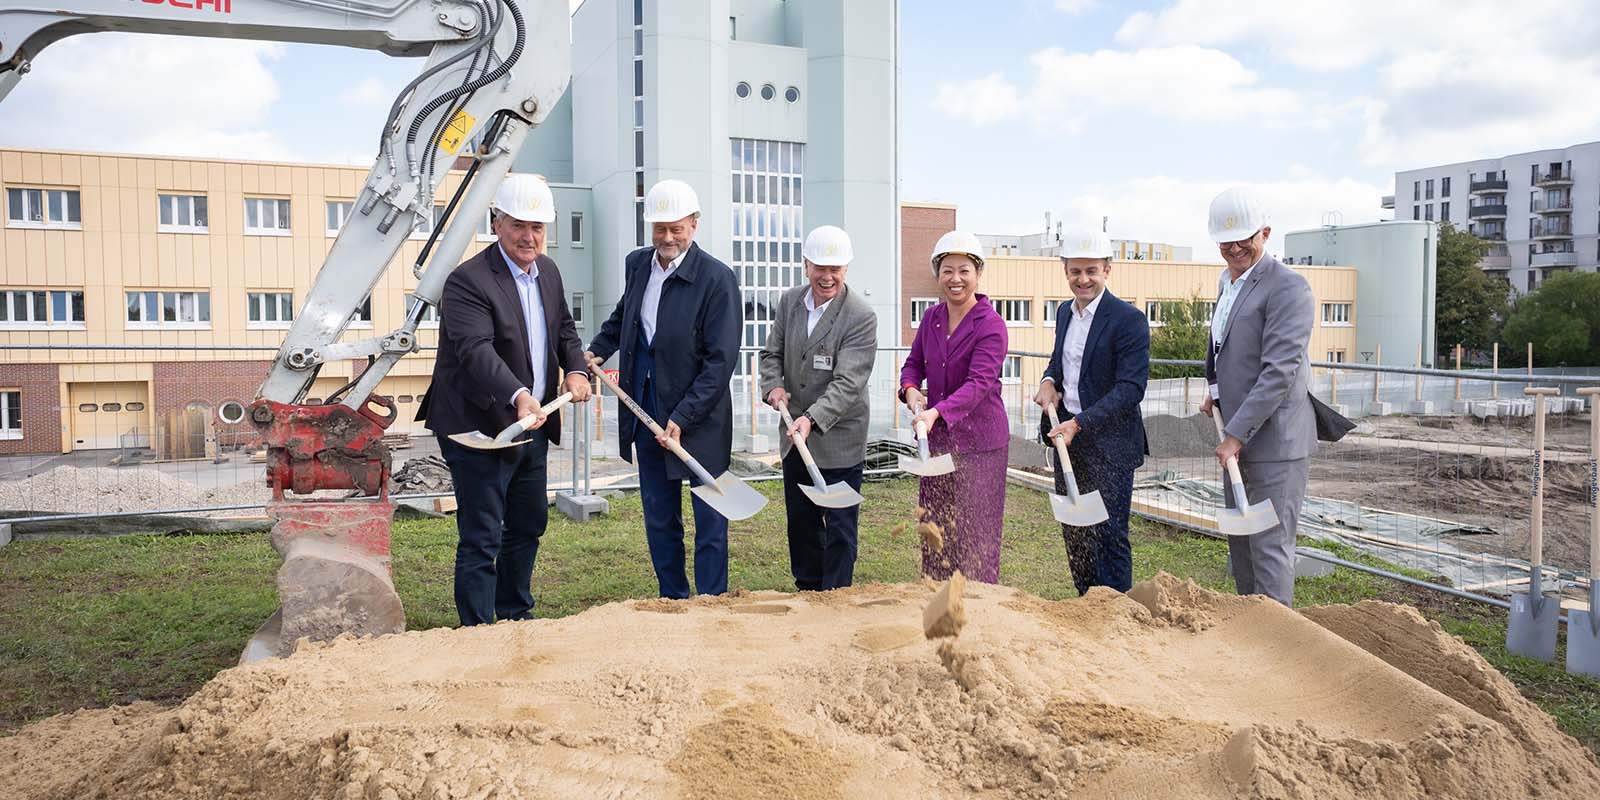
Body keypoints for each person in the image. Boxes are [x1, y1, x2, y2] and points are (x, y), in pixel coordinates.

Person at [417, 173, 592, 626]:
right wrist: (519, 394)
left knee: (528, 523)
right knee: (482, 534)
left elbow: (564, 330)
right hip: (478, 426)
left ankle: (515, 613)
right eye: (518, 225)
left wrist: (575, 368)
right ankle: (478, 629)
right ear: (497, 224)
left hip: (531, 424)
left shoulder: (548, 272)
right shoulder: (467, 281)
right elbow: (475, 350)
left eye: (537, 227)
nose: (528, 236)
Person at [586, 179, 741, 599]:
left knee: (710, 517)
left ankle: (710, 601)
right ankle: (673, 598)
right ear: (649, 226)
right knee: (659, 515)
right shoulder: (638, 265)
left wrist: (684, 417)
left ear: (694, 224)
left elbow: (720, 361)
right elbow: (624, 317)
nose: (668, 237)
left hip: (700, 419)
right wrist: (596, 350)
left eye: (677, 228)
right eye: (660, 228)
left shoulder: (717, 279)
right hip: (646, 411)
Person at [1200, 186, 1317, 606]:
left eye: (1243, 240)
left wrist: (1235, 435)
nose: (1234, 249)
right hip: (1237, 436)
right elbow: (1225, 350)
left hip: (1273, 442)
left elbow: (1278, 372)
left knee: (1268, 549)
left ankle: (1277, 638)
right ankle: (1250, 631)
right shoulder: (1228, 283)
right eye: (1225, 242)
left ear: (1265, 233)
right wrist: (1215, 393)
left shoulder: (1288, 288)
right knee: (1242, 547)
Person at [758, 225, 879, 591]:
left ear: (846, 268)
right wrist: (773, 385)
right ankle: (809, 588)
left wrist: (812, 419)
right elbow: (771, 354)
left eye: (835, 269)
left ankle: (837, 593)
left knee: (840, 525)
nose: (827, 276)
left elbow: (848, 383)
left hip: (839, 435)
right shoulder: (790, 302)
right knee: (802, 521)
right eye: (820, 268)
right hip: (794, 434)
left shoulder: (860, 316)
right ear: (806, 265)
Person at [1033, 229, 1149, 595]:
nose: (1083, 279)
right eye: (1075, 271)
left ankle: (1116, 610)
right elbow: (1060, 362)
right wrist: (1048, 380)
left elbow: (1131, 388)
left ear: (1107, 270)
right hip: (1069, 442)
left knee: (1109, 533)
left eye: (1091, 271)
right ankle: (1086, 604)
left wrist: (1080, 423)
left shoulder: (1128, 320)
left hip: (1110, 444)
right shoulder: (1064, 313)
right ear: (1066, 271)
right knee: (1076, 532)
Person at [899, 230, 1009, 583]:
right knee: (935, 526)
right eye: (947, 270)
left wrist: (935, 411)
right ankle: (935, 592)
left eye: (964, 270)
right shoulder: (931, 318)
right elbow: (913, 364)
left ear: (978, 274)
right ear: (937, 275)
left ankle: (978, 599)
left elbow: (979, 384)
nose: (955, 279)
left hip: (980, 445)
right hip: (938, 442)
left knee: (975, 532)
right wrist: (911, 390)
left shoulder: (991, 325)